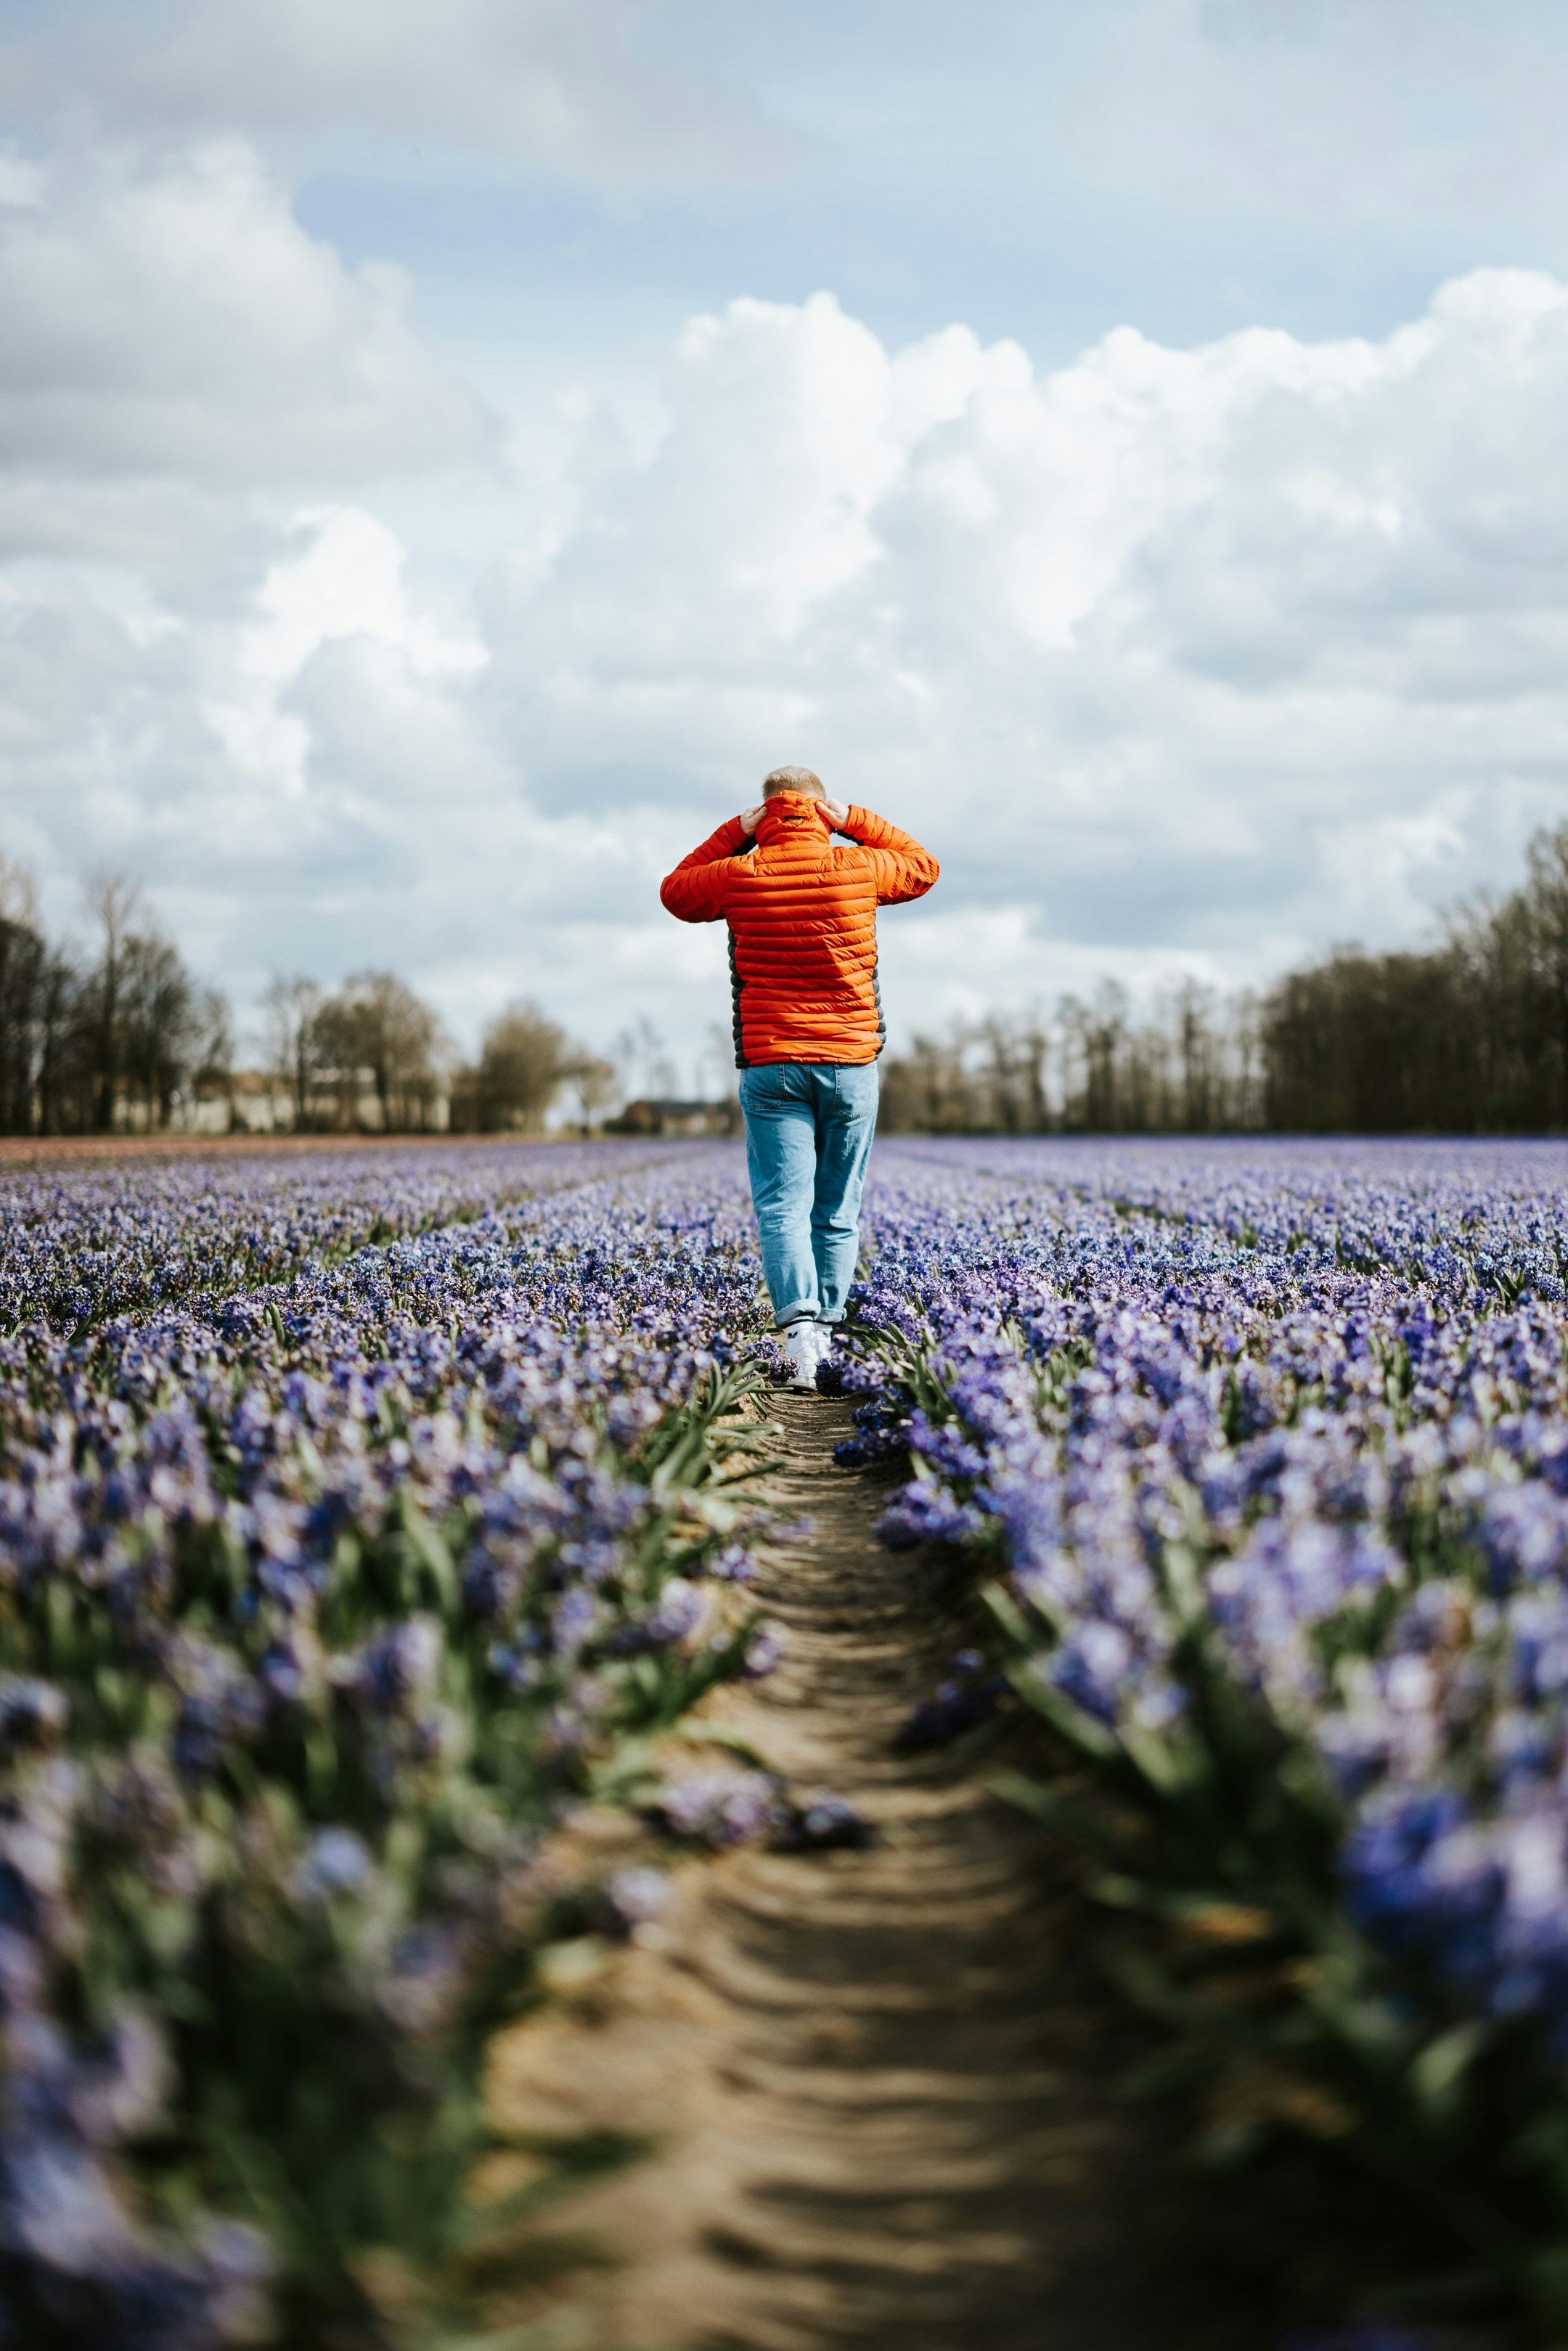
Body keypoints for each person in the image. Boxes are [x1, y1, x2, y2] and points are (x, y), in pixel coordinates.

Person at [660, 765, 939, 1388]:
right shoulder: (858, 867)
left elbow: (675, 891)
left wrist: (735, 832)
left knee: (783, 1207)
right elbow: (922, 865)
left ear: (767, 813)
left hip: (773, 1063)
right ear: (820, 809)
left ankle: (802, 1342)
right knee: (838, 1208)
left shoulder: (738, 873)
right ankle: (834, 1334)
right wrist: (856, 821)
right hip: (851, 1063)